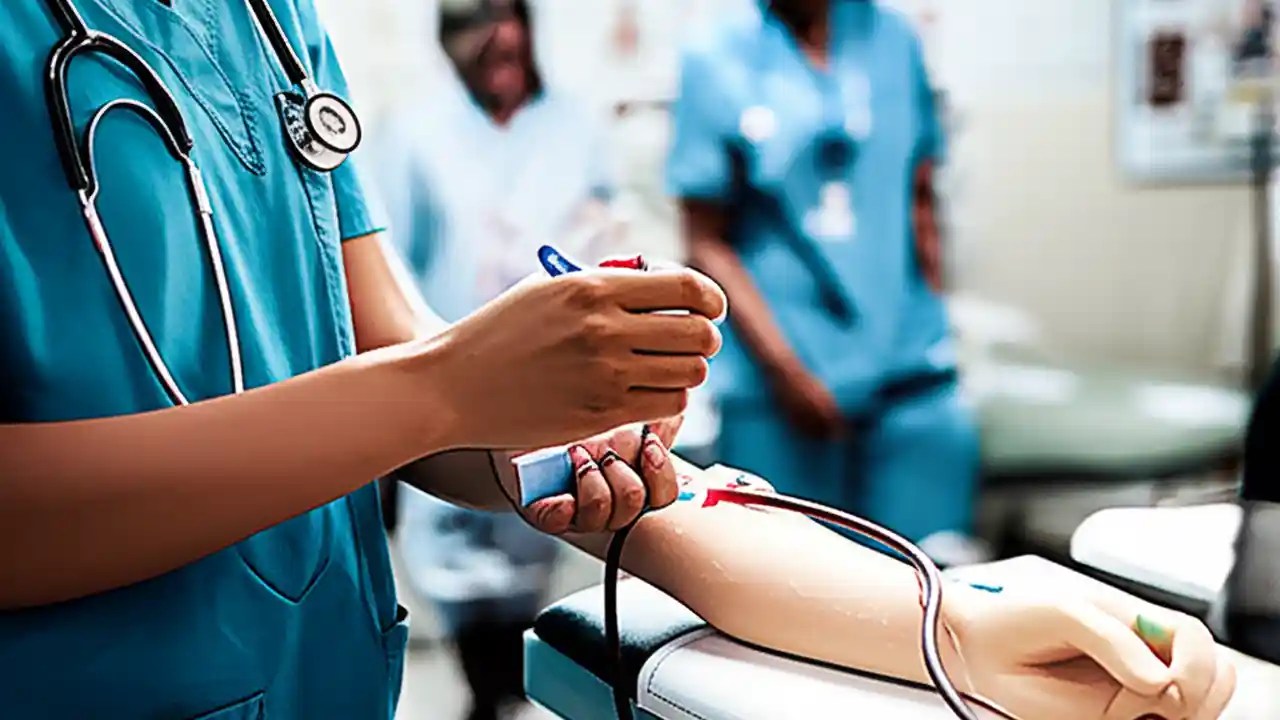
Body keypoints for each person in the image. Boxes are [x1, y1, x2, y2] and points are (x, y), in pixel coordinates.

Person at [0, 1, 724, 717]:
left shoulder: (272, 19)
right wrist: (451, 384)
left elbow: (382, 337)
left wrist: (527, 423)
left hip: (330, 681)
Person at [370, 1, 619, 717]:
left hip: (563, 389)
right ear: (446, 42)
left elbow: (602, 242)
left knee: (548, 532)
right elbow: (391, 278)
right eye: (474, 23)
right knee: (455, 555)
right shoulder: (417, 134)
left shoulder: (576, 128)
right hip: (450, 393)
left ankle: (510, 687)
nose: (498, 38)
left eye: (510, 17)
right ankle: (487, 688)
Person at [667, 0, 981, 559]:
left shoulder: (892, 39)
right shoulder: (716, 54)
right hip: (777, 389)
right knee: (787, 603)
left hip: (911, 377)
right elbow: (705, 239)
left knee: (936, 592)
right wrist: (786, 369)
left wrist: (933, 303)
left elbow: (919, 186)